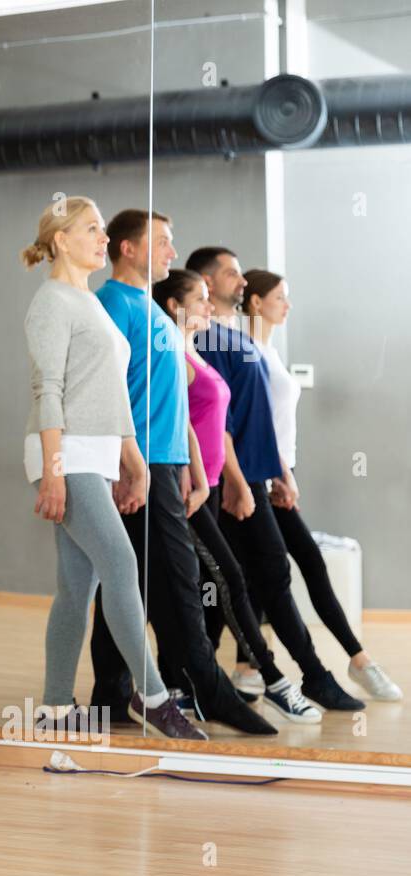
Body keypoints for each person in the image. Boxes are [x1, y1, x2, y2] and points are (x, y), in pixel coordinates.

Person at [19, 196, 205, 740]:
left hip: (96, 456)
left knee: (77, 588)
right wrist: (54, 473)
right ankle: (151, 697)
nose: (103, 238)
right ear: (61, 240)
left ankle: (54, 709)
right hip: (66, 455)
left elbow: (113, 397)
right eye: (93, 230)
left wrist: (133, 461)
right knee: (123, 568)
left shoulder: (91, 303)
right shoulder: (51, 302)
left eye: (103, 230)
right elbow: (47, 390)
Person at [87, 211, 274, 735]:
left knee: (133, 581)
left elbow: (178, 404)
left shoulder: (149, 307)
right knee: (179, 579)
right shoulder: (111, 306)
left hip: (167, 463)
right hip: (141, 463)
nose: (172, 253)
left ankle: (111, 694)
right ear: (127, 248)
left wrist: (193, 468)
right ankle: (207, 690)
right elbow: (109, 392)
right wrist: (128, 465)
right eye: (163, 242)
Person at [186, 247, 363, 713]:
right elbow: (217, 421)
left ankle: (204, 678)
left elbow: (262, 416)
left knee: (233, 581)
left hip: (258, 475)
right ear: (207, 280)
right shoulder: (210, 342)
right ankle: (309, 677)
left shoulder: (238, 338)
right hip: (235, 481)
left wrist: (279, 474)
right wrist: (239, 482)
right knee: (263, 576)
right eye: (230, 273)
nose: (241, 280)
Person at [152, 270, 319, 723]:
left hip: (202, 486)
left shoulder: (194, 352)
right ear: (175, 306)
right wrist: (194, 477)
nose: (210, 308)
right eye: (201, 300)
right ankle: (271, 679)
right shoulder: (169, 350)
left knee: (196, 587)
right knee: (221, 580)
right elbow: (169, 419)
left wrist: (211, 481)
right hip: (183, 489)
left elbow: (195, 423)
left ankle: (183, 685)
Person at [241, 269, 401, 702]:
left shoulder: (268, 351)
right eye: (279, 297)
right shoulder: (248, 353)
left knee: (267, 570)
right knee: (302, 562)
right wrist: (280, 474)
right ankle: (357, 660)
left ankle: (246, 666)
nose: (287, 305)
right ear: (255, 302)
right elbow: (254, 426)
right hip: (265, 476)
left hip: (277, 474)